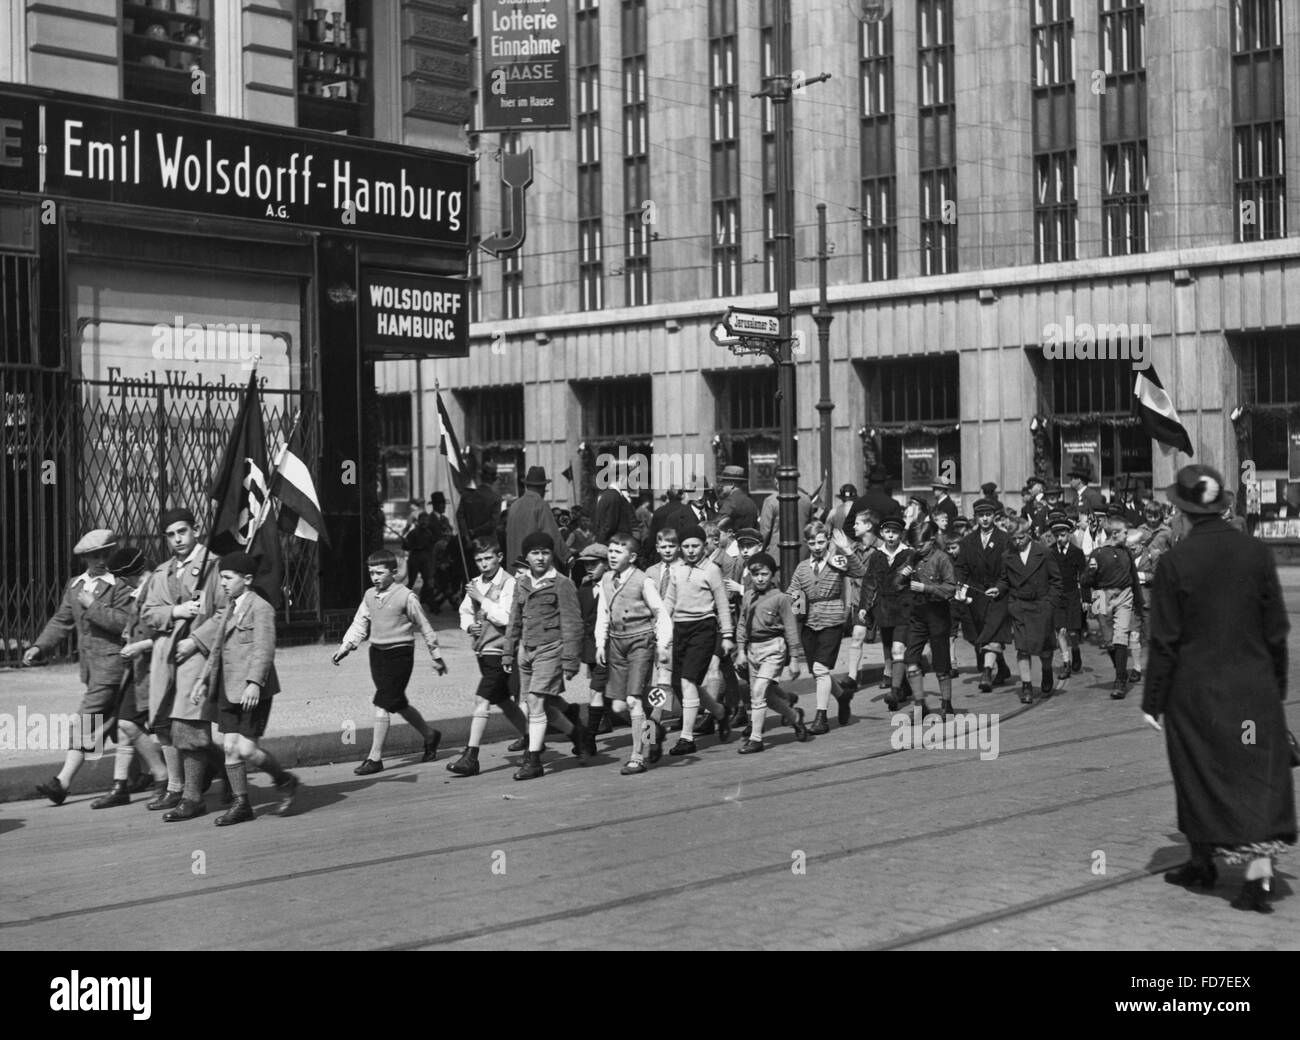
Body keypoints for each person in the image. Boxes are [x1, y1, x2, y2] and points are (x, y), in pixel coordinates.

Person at [1144, 464, 1295, 914]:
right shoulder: (1256, 553)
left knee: (1197, 772)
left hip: (1195, 695)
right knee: (1255, 774)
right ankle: (1259, 877)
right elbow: (1276, 630)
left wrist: (1153, 701)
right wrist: (1275, 688)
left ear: (1182, 510)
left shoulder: (1175, 563)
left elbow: (1164, 640)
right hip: (1253, 690)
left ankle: (1202, 860)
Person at [188, 551, 300, 824]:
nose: (223, 583)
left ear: (247, 579)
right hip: (228, 687)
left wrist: (253, 684)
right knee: (229, 747)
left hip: (253, 690)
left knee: (247, 750)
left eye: (228, 578)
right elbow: (215, 648)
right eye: (221, 578)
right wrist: (203, 679)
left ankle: (285, 780)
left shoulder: (260, 607)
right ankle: (242, 803)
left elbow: (264, 650)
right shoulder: (229, 607)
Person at [25, 529, 134, 806]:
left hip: (112, 668)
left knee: (85, 723)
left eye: (105, 554)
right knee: (121, 727)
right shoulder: (75, 585)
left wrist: (94, 606)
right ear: (84, 558)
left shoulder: (121, 585)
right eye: (93, 556)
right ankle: (152, 775)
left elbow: (125, 624)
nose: (100, 561)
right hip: (91, 670)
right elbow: (61, 621)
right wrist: (39, 646)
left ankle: (62, 783)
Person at [142, 507, 229, 814]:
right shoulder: (162, 572)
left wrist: (195, 640)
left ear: (196, 530)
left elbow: (224, 612)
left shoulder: (214, 566)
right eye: (171, 534)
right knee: (165, 722)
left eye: (182, 531)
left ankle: (193, 797)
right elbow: (148, 613)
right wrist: (175, 613)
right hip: (166, 656)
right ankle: (180, 786)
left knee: (189, 723)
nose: (177, 539)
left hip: (197, 654)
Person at [331, 550, 448, 775]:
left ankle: (375, 757)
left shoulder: (406, 596)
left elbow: (424, 626)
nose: (374, 577)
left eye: (379, 572)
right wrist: (346, 647)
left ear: (394, 572)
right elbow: (360, 623)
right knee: (396, 702)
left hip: (400, 654)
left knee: (382, 701)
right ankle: (430, 735)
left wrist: (436, 656)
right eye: (371, 573)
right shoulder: (369, 596)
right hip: (377, 654)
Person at [502, 532, 588, 781]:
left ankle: (533, 760)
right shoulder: (522, 583)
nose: (540, 558)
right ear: (526, 557)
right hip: (525, 652)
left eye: (545, 552)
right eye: (534, 553)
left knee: (536, 702)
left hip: (551, 649)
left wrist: (571, 659)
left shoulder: (562, 583)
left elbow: (573, 624)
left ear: (552, 555)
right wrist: (508, 653)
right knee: (542, 707)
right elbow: (514, 620)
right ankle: (577, 733)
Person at [91, 547, 170, 810]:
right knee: (125, 728)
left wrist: (138, 646)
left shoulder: (156, 587)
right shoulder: (140, 591)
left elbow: (167, 632)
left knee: (134, 726)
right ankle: (120, 786)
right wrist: (130, 636)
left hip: (153, 669)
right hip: (137, 670)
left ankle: (162, 775)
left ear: (127, 576)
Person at [445, 539, 532, 776]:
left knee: (481, 700)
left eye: (488, 559)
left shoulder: (509, 583)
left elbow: (507, 617)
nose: (483, 564)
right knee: (504, 702)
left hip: (502, 651)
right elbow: (465, 611)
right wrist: (468, 626)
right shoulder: (474, 584)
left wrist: (482, 599)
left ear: (499, 557)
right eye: (479, 560)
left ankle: (471, 756)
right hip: (482, 651)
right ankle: (533, 739)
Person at [594, 533, 673, 775]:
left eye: (618, 551)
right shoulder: (606, 579)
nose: (612, 555)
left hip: (641, 640)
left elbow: (661, 613)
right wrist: (600, 643)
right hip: (617, 644)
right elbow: (603, 613)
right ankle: (653, 731)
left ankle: (637, 757)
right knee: (618, 707)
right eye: (610, 551)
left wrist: (662, 644)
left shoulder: (643, 580)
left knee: (633, 700)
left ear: (632, 557)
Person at [786, 521, 866, 732]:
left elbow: (860, 572)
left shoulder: (836, 560)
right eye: (812, 543)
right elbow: (793, 593)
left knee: (821, 669)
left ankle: (820, 718)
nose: (817, 547)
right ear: (806, 543)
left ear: (827, 540)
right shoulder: (802, 568)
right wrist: (796, 610)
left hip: (832, 620)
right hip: (809, 623)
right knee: (816, 671)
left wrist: (846, 549)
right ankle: (842, 695)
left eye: (821, 542)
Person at [666, 524, 734, 755]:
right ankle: (719, 712)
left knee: (688, 680)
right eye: (686, 546)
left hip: (703, 628)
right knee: (683, 683)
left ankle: (687, 737)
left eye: (695, 545)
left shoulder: (712, 570)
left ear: (704, 545)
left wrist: (727, 635)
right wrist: (661, 629)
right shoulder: (677, 569)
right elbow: (668, 601)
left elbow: (723, 604)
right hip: (680, 629)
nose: (691, 550)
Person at [735, 553, 808, 753]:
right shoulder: (748, 596)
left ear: (772, 574)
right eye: (755, 574)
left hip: (773, 648)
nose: (759, 578)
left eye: (764, 574)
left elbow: (791, 629)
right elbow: (742, 624)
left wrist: (794, 659)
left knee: (758, 691)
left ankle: (756, 738)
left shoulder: (782, 599)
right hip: (752, 650)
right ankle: (795, 717)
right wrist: (741, 651)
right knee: (766, 697)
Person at [997, 517, 1063, 704]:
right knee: (1022, 649)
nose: (1017, 542)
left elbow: (1056, 581)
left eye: (1021, 538)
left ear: (1029, 533)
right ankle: (1026, 686)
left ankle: (1047, 671)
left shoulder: (1044, 552)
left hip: (1041, 605)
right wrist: (998, 589)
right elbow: (1004, 580)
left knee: (1044, 649)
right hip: (1020, 606)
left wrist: (1050, 604)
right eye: (1014, 539)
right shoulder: (1007, 555)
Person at [954, 499, 1012, 692]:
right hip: (976, 595)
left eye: (988, 515)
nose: (985, 519)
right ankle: (1002, 668)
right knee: (980, 635)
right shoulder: (967, 541)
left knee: (993, 632)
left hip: (998, 594)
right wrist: (960, 589)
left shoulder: (1005, 539)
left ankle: (986, 673)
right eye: (981, 515)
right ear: (976, 517)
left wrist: (1000, 587)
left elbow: (1009, 570)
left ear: (994, 516)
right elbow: (961, 568)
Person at [901, 521, 959, 716]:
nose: (917, 550)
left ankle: (946, 703)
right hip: (918, 615)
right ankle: (920, 704)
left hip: (938, 614)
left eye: (920, 546)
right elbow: (895, 584)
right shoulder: (913, 558)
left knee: (941, 663)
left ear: (931, 540)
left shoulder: (942, 559)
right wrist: (902, 576)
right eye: (914, 546)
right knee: (910, 659)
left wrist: (927, 588)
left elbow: (950, 588)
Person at [1083, 518, 1143, 700]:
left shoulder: (1126, 553)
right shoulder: (1098, 554)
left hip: (1124, 595)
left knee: (1121, 636)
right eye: (1125, 532)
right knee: (1108, 640)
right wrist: (1088, 597)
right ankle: (1121, 670)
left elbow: (1133, 576)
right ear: (1115, 533)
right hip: (1101, 596)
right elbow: (1085, 580)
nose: (1128, 535)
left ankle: (1119, 682)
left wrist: (1138, 602)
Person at [864, 515, 916, 711]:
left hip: (904, 608)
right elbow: (869, 583)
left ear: (901, 534)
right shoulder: (877, 556)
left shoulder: (909, 554)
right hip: (884, 609)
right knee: (889, 651)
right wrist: (864, 607)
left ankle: (894, 691)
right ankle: (904, 686)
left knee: (897, 649)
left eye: (895, 532)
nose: (891, 536)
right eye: (887, 532)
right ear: (882, 533)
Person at [840, 510, 881, 695]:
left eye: (857, 523)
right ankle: (852, 677)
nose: (854, 526)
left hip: (880, 601)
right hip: (860, 601)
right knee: (857, 636)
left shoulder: (881, 548)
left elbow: (865, 573)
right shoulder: (854, 548)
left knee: (889, 640)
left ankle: (891, 675)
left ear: (869, 526)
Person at [505, 467, 571, 576]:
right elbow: (552, 535)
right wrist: (567, 556)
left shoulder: (514, 505)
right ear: (543, 487)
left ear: (526, 485)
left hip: (514, 568)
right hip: (533, 568)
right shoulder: (540, 504)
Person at [1048, 514, 1087, 680]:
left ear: (1069, 534)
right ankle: (1066, 663)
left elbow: (1084, 577)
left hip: (1072, 595)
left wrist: (1086, 599)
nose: (1059, 539)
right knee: (1060, 631)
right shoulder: (1049, 552)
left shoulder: (1077, 553)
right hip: (1056, 596)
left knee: (1072, 632)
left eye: (1062, 535)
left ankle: (1076, 650)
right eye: (1056, 536)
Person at [758, 485, 814, 560]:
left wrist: (759, 552)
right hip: (802, 555)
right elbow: (810, 527)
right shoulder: (806, 500)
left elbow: (765, 531)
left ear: (776, 481)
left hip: (777, 556)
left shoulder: (770, 501)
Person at [845, 465, 903, 534]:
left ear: (868, 483)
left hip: (862, 543)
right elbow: (897, 529)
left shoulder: (858, 503)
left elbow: (847, 529)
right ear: (885, 483)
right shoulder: (892, 504)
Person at [716, 465, 759, 532]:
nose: (721, 485)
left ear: (732, 484)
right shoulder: (751, 502)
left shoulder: (731, 501)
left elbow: (718, 525)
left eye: (724, 482)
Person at [593, 478, 635, 544]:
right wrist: (600, 541)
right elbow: (610, 525)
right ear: (621, 478)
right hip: (612, 543)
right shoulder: (614, 497)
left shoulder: (607, 495)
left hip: (609, 542)